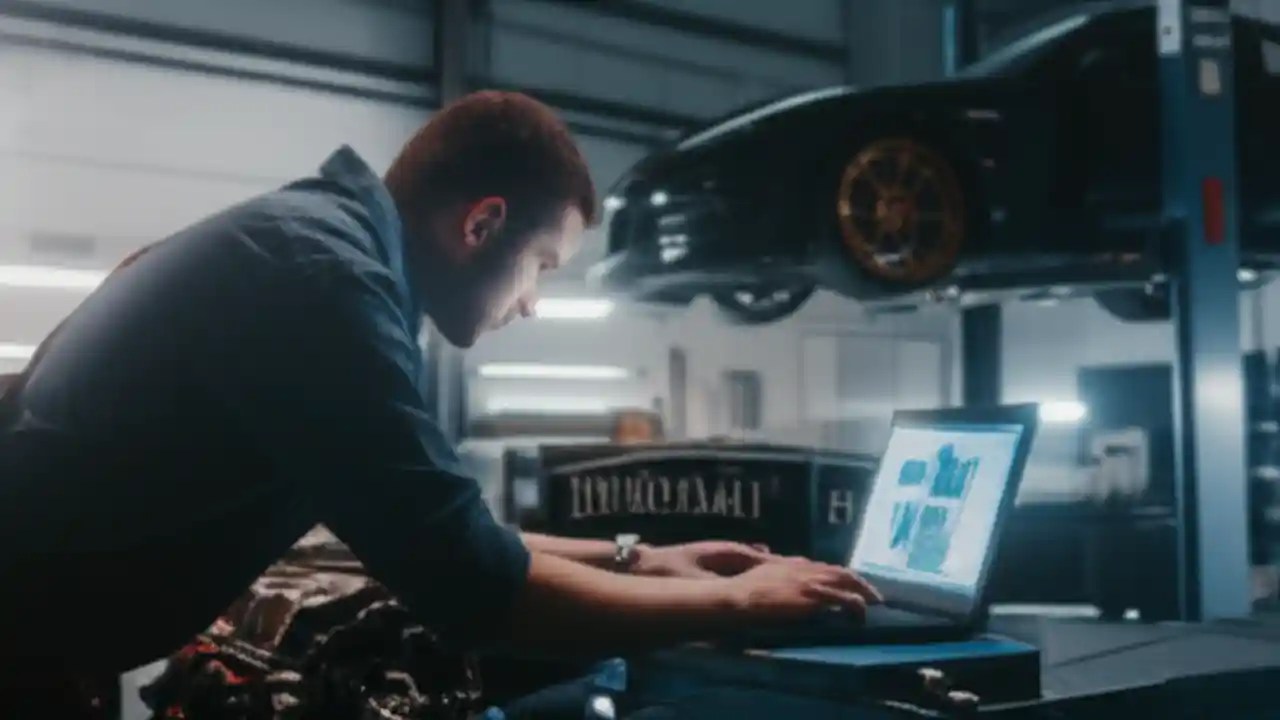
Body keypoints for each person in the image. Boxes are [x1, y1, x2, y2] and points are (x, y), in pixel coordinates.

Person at [0, 91, 878, 711]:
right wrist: (740, 604)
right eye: (541, 266)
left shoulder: (313, 244)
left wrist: (637, 559)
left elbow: (426, 524)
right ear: (481, 224)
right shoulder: (325, 288)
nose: (532, 304)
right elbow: (471, 588)